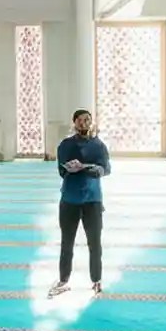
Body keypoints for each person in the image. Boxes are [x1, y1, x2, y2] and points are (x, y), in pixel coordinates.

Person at [50, 108, 111, 297]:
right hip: (70, 199)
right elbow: (62, 170)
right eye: (81, 120)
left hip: (92, 200)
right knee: (67, 242)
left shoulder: (98, 145)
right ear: (74, 122)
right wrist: (71, 168)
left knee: (95, 243)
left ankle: (96, 280)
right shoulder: (66, 145)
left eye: (88, 120)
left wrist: (91, 169)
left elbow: (106, 169)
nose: (85, 123)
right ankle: (63, 279)